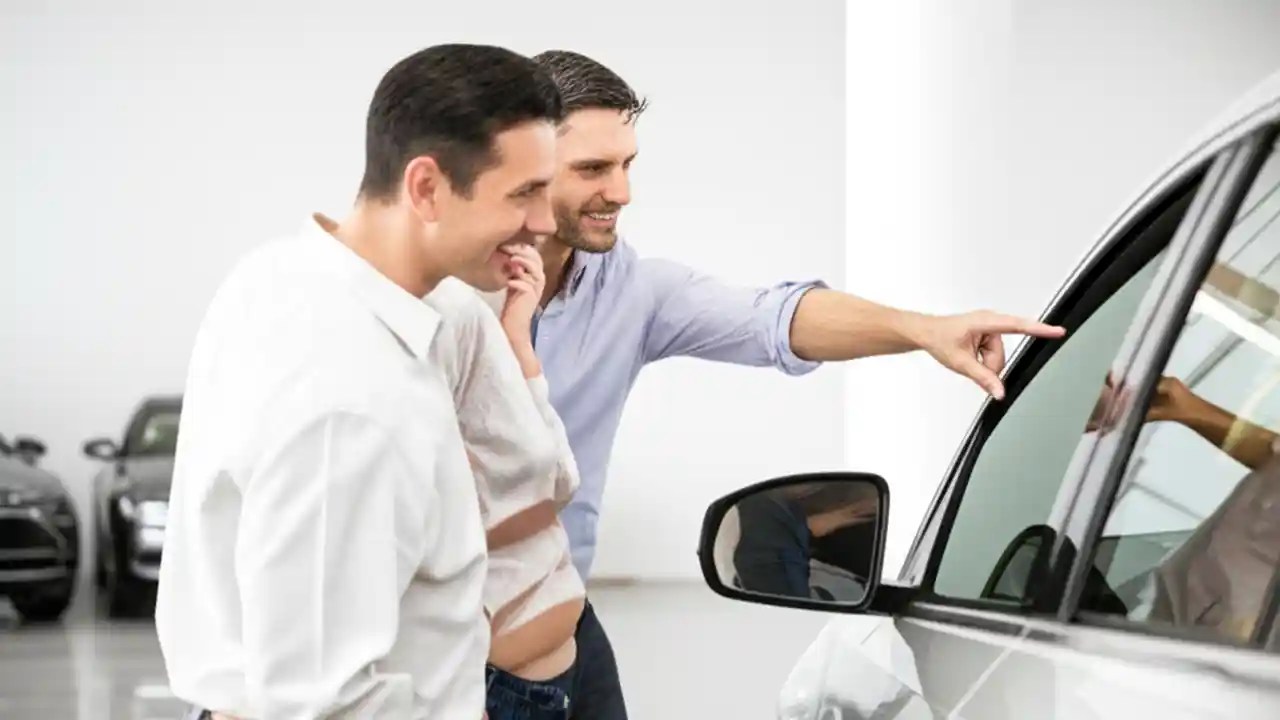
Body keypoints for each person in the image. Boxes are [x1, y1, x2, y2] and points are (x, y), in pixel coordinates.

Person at [525, 49, 1067, 718]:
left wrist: (924, 331)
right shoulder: (447, 294)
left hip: (565, 624)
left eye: (628, 164)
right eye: (593, 169)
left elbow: (773, 318)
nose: (623, 192)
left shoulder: (629, 290)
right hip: (442, 637)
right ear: (523, 164)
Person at [155, 43, 562, 719]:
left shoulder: (278, 274)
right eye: (523, 193)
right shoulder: (351, 400)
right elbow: (323, 704)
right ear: (426, 187)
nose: (545, 223)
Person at [425, 244, 584, 720]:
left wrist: (517, 339)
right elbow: (556, 479)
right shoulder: (444, 312)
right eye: (523, 194)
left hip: (541, 673)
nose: (540, 224)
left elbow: (555, 471)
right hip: (493, 689)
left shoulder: (485, 304)